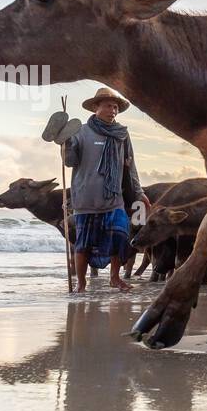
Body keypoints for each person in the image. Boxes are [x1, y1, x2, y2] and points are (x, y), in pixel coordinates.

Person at [60, 87, 150, 293]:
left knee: (120, 236)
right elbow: (70, 161)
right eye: (108, 106)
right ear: (96, 107)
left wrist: (139, 191)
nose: (113, 110)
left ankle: (114, 278)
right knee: (83, 243)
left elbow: (130, 165)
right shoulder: (80, 131)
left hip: (114, 198)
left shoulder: (122, 135)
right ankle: (81, 283)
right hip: (86, 198)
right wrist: (65, 143)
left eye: (116, 107)